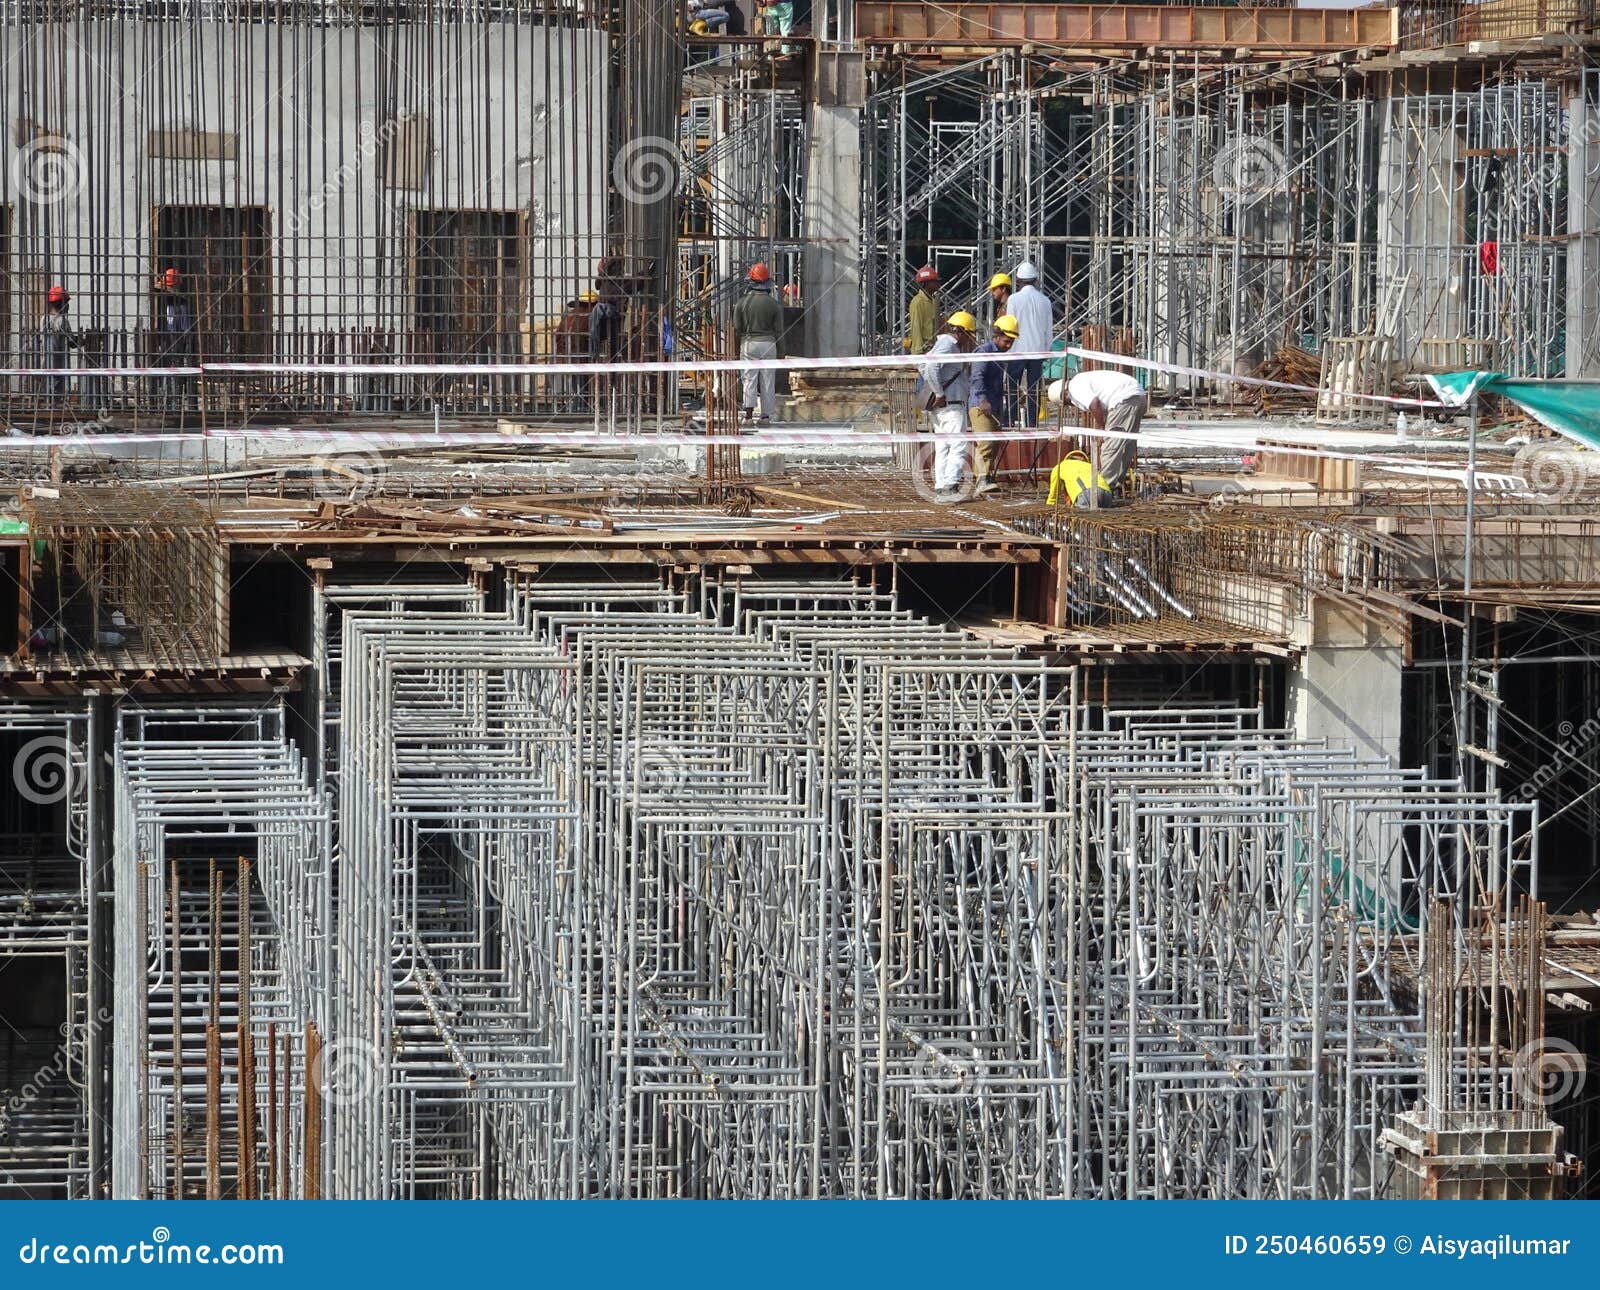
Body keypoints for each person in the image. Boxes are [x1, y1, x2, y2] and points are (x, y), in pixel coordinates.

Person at [1056, 367, 1146, 493]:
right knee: (1127, 443)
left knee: (1111, 445)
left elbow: (1094, 403)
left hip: (1124, 399)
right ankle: (1116, 484)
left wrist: (1100, 428)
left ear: (1064, 394)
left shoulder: (1074, 387)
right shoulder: (1083, 380)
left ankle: (1104, 487)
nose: (1071, 404)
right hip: (1138, 396)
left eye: (1067, 402)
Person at [918, 311, 978, 498]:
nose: (969, 339)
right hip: (951, 405)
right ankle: (951, 483)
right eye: (969, 334)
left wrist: (936, 388)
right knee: (958, 445)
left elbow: (922, 365)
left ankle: (941, 484)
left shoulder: (943, 344)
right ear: (961, 331)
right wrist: (938, 392)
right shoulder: (948, 344)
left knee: (943, 446)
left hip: (944, 407)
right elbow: (930, 366)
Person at [968, 314, 1022, 493]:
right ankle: (982, 479)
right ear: (997, 336)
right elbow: (977, 377)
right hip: (981, 405)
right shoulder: (984, 352)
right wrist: (982, 399)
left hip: (995, 404)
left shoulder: (999, 354)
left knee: (994, 443)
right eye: (1006, 341)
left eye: (1011, 342)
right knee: (986, 442)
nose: (1009, 345)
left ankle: (986, 476)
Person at [732, 261, 783, 423]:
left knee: (749, 378)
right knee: (768, 380)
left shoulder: (741, 303)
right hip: (769, 344)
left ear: (751, 281)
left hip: (749, 343)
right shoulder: (774, 305)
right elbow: (779, 331)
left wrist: (735, 349)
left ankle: (748, 416)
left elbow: (737, 329)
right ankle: (765, 416)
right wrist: (782, 352)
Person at [1007, 260, 1053, 426]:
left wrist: (1007, 351)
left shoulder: (1013, 299)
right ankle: (1033, 423)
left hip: (1017, 350)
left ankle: (1010, 421)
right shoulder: (1045, 301)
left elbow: (1009, 326)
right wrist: (1047, 350)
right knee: (1034, 390)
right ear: (1035, 280)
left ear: (1018, 281)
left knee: (1012, 389)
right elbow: (1048, 329)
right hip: (1037, 351)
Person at [40, 285, 80, 401]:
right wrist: (84, 340)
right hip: (59, 363)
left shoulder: (44, 319)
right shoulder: (62, 321)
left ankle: (50, 406)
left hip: (46, 361)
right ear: (61, 303)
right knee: (58, 394)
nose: (68, 306)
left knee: (48, 393)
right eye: (66, 303)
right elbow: (72, 343)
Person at [1046, 449, 1113, 508]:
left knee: (1085, 517)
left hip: (1086, 492)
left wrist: (1050, 504)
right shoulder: (1090, 466)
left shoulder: (1060, 466)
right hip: (1107, 494)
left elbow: (1053, 495)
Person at [906, 264, 940, 355]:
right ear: (926, 283)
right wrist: (918, 352)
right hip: (924, 348)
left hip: (933, 346)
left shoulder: (933, 301)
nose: (938, 284)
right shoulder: (918, 302)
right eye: (934, 281)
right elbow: (916, 326)